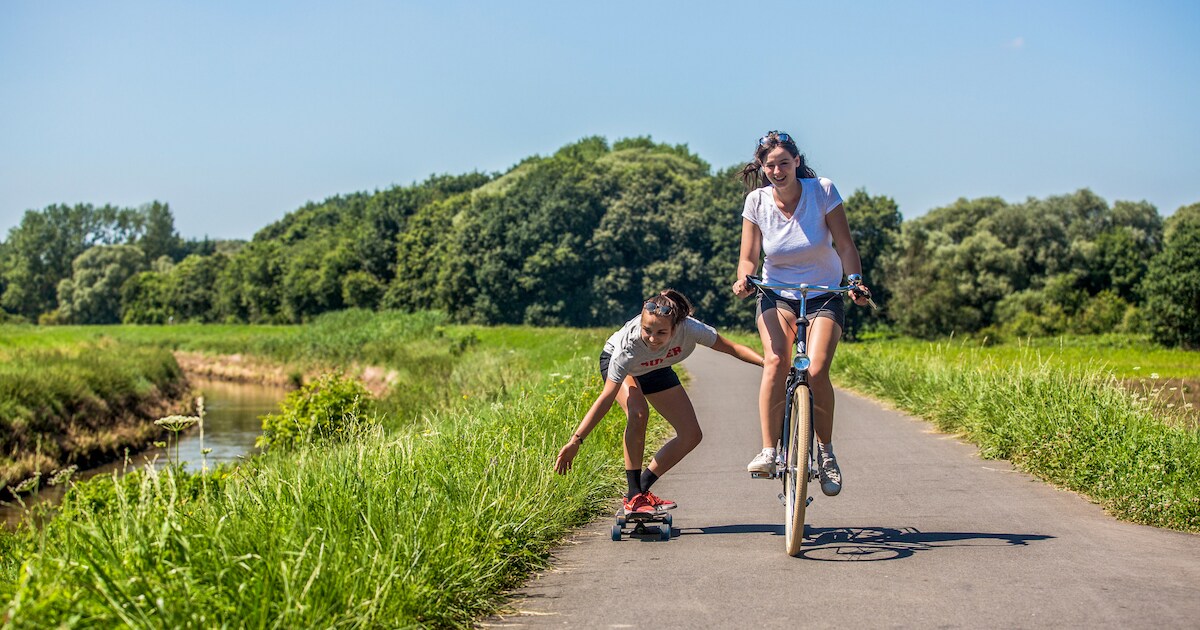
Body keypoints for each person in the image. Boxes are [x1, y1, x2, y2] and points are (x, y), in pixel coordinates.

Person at [731, 131, 872, 497]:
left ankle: (825, 453)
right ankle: (769, 450)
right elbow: (749, 255)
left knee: (817, 368)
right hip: (776, 294)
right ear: (762, 168)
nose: (777, 170)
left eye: (783, 163)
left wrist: (855, 280)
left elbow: (845, 245)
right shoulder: (756, 202)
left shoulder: (822, 191)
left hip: (824, 293)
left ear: (796, 162)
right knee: (776, 361)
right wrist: (744, 278)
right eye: (770, 165)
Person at [554, 289, 764, 513]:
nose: (653, 339)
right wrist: (576, 441)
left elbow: (731, 347)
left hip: (657, 367)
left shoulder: (690, 329)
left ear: (676, 328)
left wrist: (768, 363)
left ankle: (639, 491)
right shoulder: (628, 347)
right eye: (647, 331)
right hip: (628, 368)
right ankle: (635, 496)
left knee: (691, 435)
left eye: (661, 332)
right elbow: (605, 398)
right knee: (638, 412)